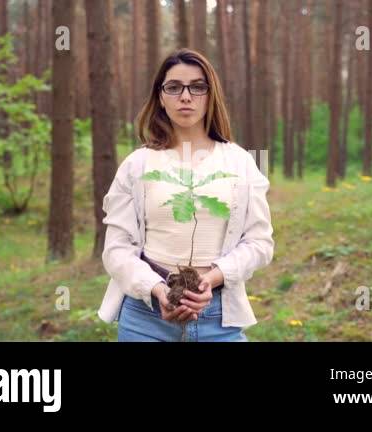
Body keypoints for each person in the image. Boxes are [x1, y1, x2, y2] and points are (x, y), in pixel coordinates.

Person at [98, 49, 274, 342]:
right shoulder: (137, 164)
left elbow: (260, 243)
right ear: (161, 97)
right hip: (145, 318)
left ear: (210, 94)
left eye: (197, 87)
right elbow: (116, 249)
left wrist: (212, 279)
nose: (186, 96)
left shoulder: (239, 162)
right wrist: (157, 288)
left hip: (218, 318)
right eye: (174, 87)